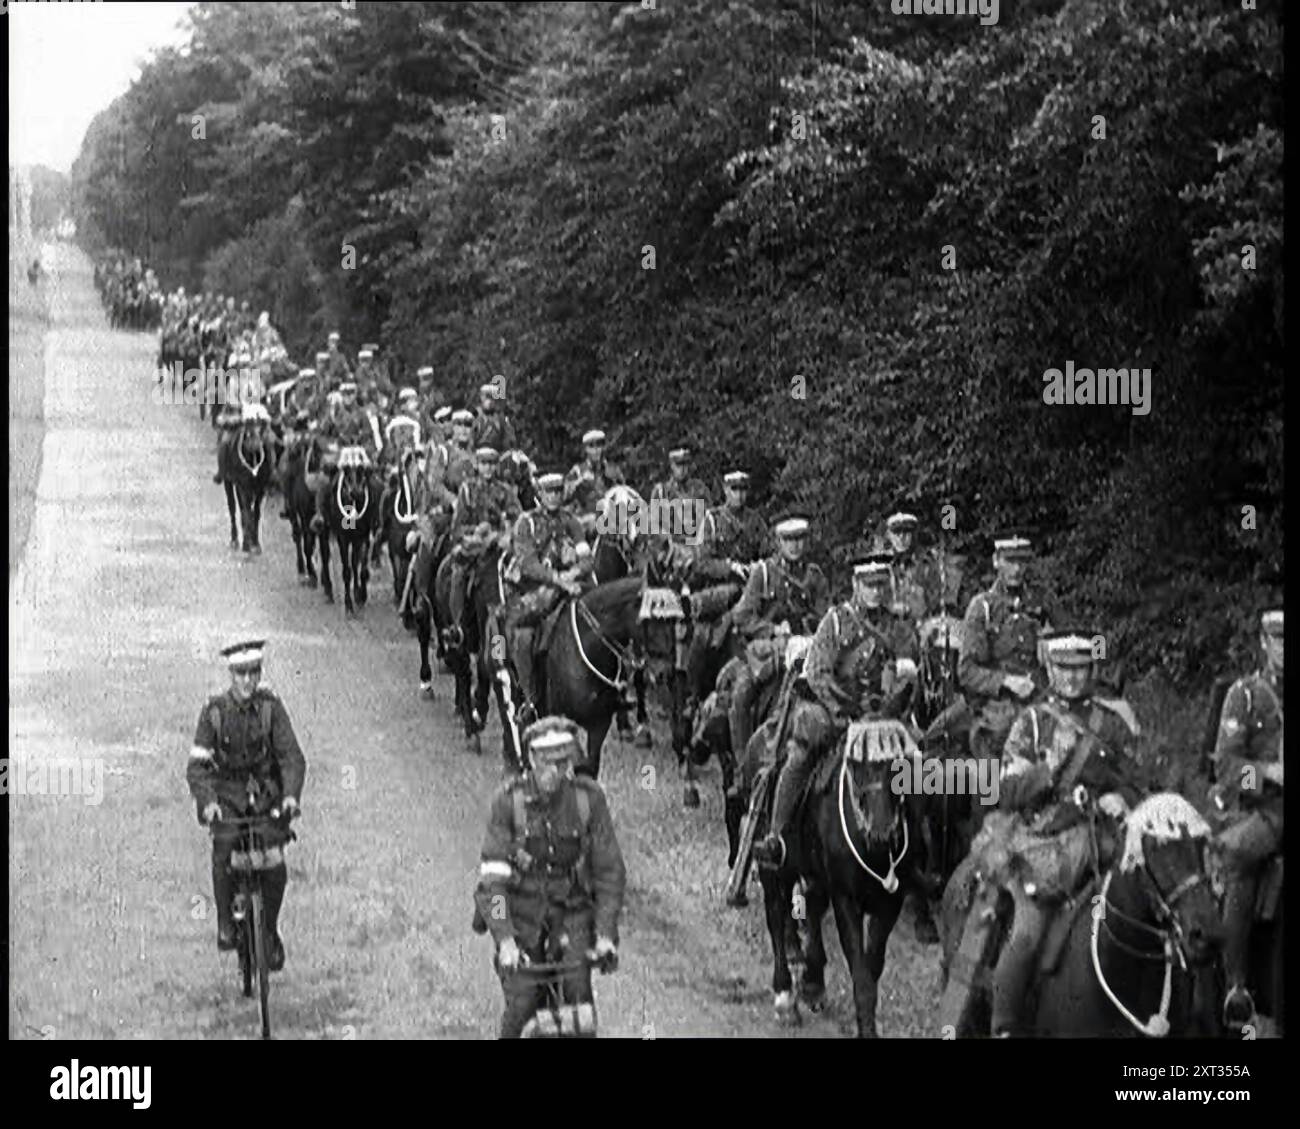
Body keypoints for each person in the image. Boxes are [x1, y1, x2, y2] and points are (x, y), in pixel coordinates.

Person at [983, 631, 1142, 1036]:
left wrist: (1120, 798)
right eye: (1064, 669)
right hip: (1043, 847)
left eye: (1081, 669)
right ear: (1050, 670)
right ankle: (1005, 1026)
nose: (1072, 679)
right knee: (1027, 934)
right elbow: (1007, 791)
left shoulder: (1111, 723)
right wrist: (1048, 769)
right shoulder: (1031, 722)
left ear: (1092, 669)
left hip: (1101, 841)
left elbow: (1136, 782)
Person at [753, 553, 918, 867]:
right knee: (802, 751)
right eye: (869, 585)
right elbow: (817, 673)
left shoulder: (898, 628)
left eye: (881, 584)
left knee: (918, 755)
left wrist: (891, 707)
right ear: (856, 585)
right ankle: (777, 835)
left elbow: (909, 673)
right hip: (836, 712)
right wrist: (846, 710)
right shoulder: (837, 620)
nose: (875, 591)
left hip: (882, 718)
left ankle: (917, 848)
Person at [474, 716, 625, 1039]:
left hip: (571, 913)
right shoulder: (507, 801)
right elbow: (493, 884)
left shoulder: (588, 799)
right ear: (530, 758)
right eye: (546, 762)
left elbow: (609, 871)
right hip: (520, 915)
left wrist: (606, 934)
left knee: (579, 1004)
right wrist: (505, 940)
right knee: (523, 1004)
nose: (554, 771)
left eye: (562, 762)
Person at [186, 639, 306, 971]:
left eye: (254, 672)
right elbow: (197, 766)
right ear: (231, 675)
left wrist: (291, 796)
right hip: (227, 796)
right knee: (223, 847)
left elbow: (291, 756)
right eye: (241, 674)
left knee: (275, 862)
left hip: (264, 794)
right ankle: (226, 922)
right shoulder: (214, 712)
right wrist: (208, 802)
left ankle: (268, 930)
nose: (248, 681)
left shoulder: (271, 708)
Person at [1212, 607, 1284, 1029]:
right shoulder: (1247, 693)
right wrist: (1268, 774)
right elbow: (1226, 768)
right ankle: (1235, 985)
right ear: (1265, 643)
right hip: (1268, 806)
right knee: (1238, 854)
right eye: (1280, 640)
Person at [727, 517, 831, 772]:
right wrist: (772, 629)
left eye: (799, 540)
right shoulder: (764, 573)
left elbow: (826, 617)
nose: (794, 546)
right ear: (779, 542)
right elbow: (742, 616)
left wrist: (811, 629)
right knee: (741, 694)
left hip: (806, 651)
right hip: (767, 652)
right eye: (788, 540)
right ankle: (743, 767)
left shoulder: (814, 576)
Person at [958, 534, 1057, 762]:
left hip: (1040, 696)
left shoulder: (1042, 600)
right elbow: (966, 671)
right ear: (996, 561)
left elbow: (1068, 641)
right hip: (997, 707)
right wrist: (1006, 681)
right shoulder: (982, 606)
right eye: (1009, 561)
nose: (1016, 569)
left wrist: (1050, 643)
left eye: (1022, 562)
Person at [503, 473, 593, 715]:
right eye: (549, 491)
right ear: (539, 494)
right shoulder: (526, 522)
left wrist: (573, 573)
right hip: (529, 592)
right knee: (523, 638)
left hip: (567, 589)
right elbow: (528, 565)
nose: (554, 496)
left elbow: (586, 559)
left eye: (558, 491)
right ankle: (530, 698)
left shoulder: (571, 522)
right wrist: (557, 579)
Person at [447, 447, 523, 631]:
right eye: (484, 463)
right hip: (474, 548)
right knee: (458, 573)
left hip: (501, 549)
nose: (488, 468)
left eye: (491, 464)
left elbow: (519, 520)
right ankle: (457, 627)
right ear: (477, 465)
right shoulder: (468, 490)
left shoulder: (505, 491)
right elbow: (457, 528)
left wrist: (504, 533)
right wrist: (478, 531)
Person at [563, 430, 625, 532]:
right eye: (591, 446)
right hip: (586, 518)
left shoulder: (612, 469)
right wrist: (579, 481)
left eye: (599, 446)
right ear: (586, 449)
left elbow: (623, 493)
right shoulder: (578, 470)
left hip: (610, 518)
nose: (596, 450)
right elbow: (564, 496)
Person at [473, 382, 517, 454]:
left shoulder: (501, 419)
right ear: (481, 398)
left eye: (492, 397)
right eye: (487, 397)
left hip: (496, 455)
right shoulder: (474, 417)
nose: (490, 401)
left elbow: (509, 441)